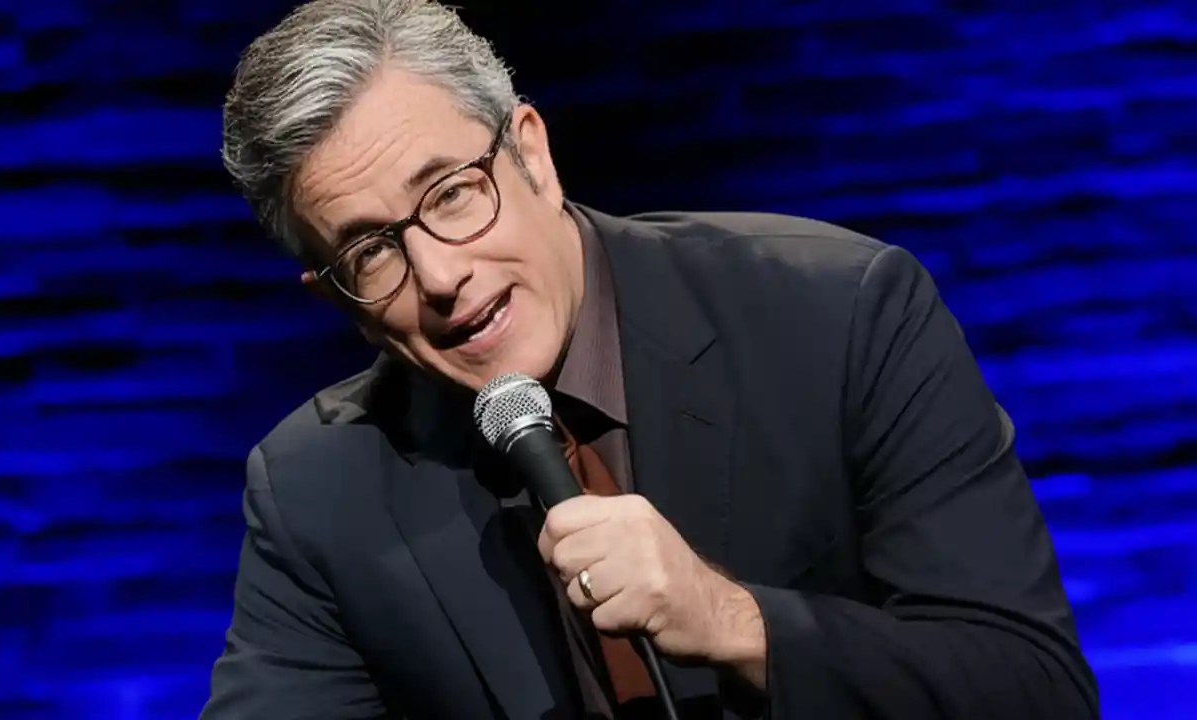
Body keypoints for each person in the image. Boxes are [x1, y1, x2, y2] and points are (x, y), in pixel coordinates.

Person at [201, 1, 1099, 718]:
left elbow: (1035, 687)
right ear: (336, 298)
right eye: (371, 252)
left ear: (533, 156)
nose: (441, 273)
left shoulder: (838, 314)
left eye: (451, 194)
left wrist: (735, 623)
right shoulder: (320, 488)